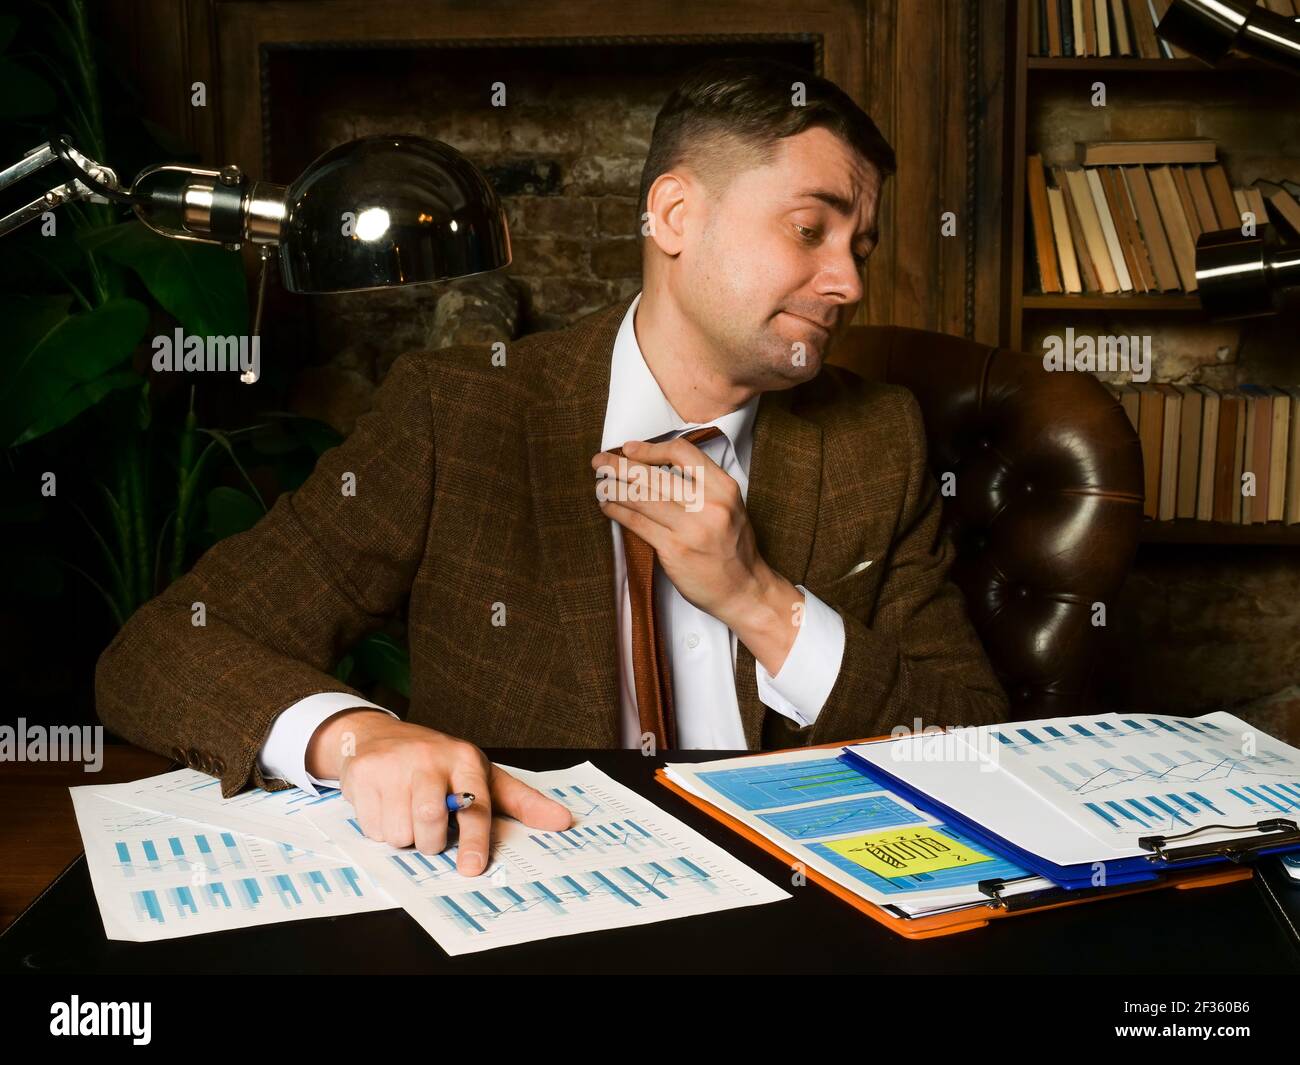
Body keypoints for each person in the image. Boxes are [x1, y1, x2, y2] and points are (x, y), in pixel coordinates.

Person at [95, 56, 1008, 879]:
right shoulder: (459, 415)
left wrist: (760, 602)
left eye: (863, 248)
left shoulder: (876, 439)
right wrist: (354, 735)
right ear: (676, 215)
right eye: (812, 230)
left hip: (805, 903)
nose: (849, 281)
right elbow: (161, 650)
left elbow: (975, 745)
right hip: (526, 895)